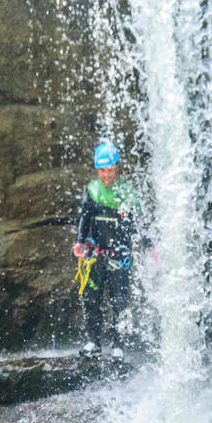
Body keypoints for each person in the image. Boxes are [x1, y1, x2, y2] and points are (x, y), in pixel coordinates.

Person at [72, 140, 152, 359]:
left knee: (119, 301)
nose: (106, 175)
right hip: (96, 254)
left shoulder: (126, 192)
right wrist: (80, 241)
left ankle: (118, 344)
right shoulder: (92, 190)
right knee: (91, 298)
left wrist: (149, 245)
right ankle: (94, 342)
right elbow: (85, 218)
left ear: (116, 168)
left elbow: (139, 221)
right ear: (97, 170)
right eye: (102, 171)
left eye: (110, 170)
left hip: (120, 256)